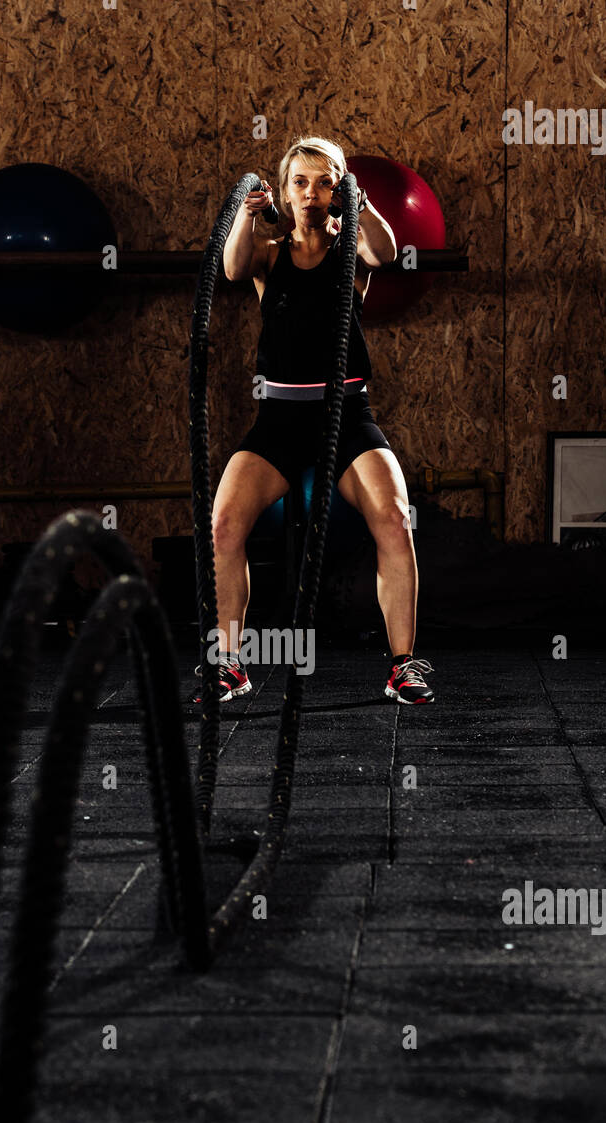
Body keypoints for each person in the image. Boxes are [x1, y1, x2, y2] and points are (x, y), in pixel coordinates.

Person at [195, 135, 434, 706]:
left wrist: (363, 203)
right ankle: (231, 665)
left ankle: (402, 666)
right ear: (283, 192)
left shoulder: (351, 250)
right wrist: (244, 218)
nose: (310, 193)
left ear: (337, 189)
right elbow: (230, 270)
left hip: (346, 415)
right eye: (298, 182)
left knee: (396, 520)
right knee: (223, 525)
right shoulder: (269, 252)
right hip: (279, 417)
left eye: (323, 181)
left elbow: (386, 252)